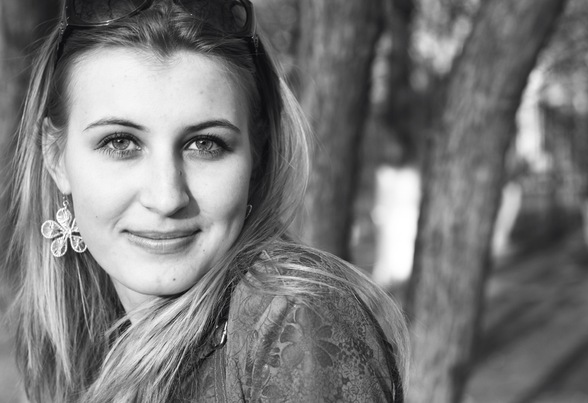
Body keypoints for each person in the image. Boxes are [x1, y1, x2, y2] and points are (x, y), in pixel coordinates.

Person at [6, 0, 409, 401]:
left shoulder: (294, 321)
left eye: (204, 144)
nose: (166, 197)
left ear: (257, 156)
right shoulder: (70, 346)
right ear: (55, 157)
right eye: (121, 142)